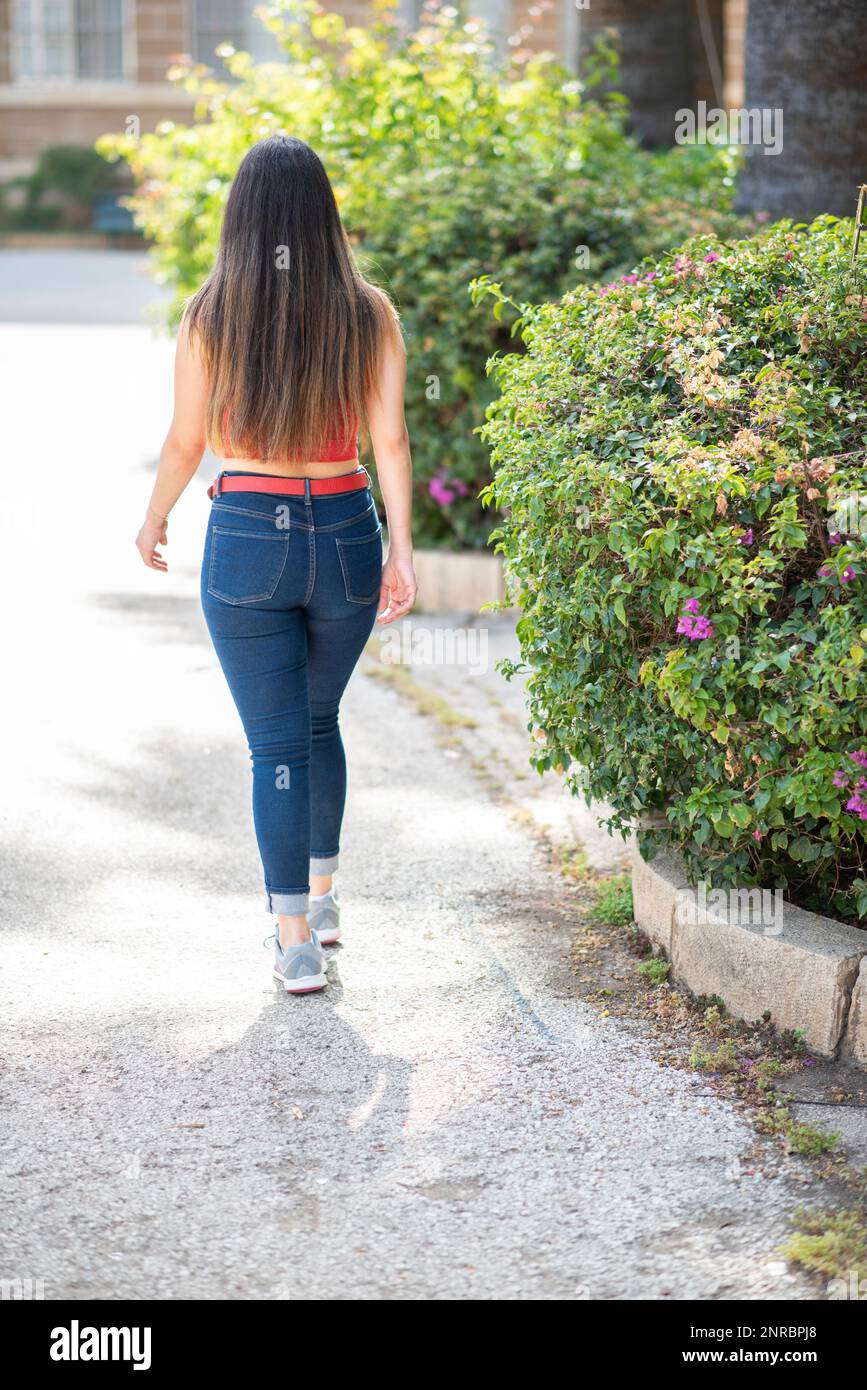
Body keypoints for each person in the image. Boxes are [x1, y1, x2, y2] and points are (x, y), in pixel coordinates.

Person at [135, 135, 416, 994]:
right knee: (317, 721)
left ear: (242, 218)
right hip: (343, 530)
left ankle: (293, 940)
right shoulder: (367, 310)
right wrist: (400, 550)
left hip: (249, 532)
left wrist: (154, 517)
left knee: (277, 744)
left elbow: (189, 439)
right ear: (322, 214)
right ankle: (323, 899)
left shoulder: (211, 313)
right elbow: (391, 439)